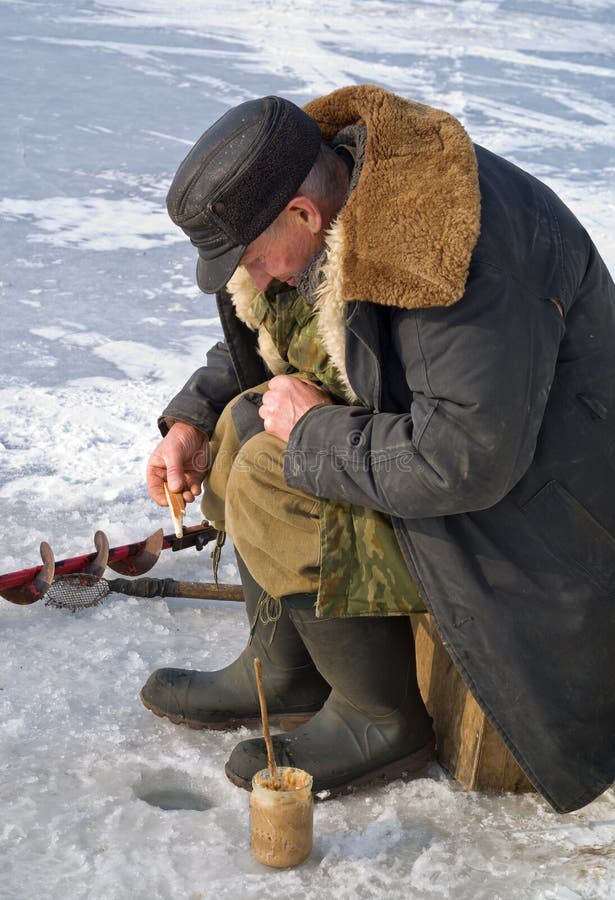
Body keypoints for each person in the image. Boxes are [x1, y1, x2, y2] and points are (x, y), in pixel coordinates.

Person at [140, 85, 615, 813]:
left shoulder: (452, 255)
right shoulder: (345, 193)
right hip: (480, 470)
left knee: (273, 468)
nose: (256, 277)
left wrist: (312, 434)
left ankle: (380, 717)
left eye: (255, 257)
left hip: (544, 526)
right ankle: (287, 670)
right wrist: (193, 420)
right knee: (243, 425)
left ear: (301, 213)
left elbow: (462, 460)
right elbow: (288, 327)